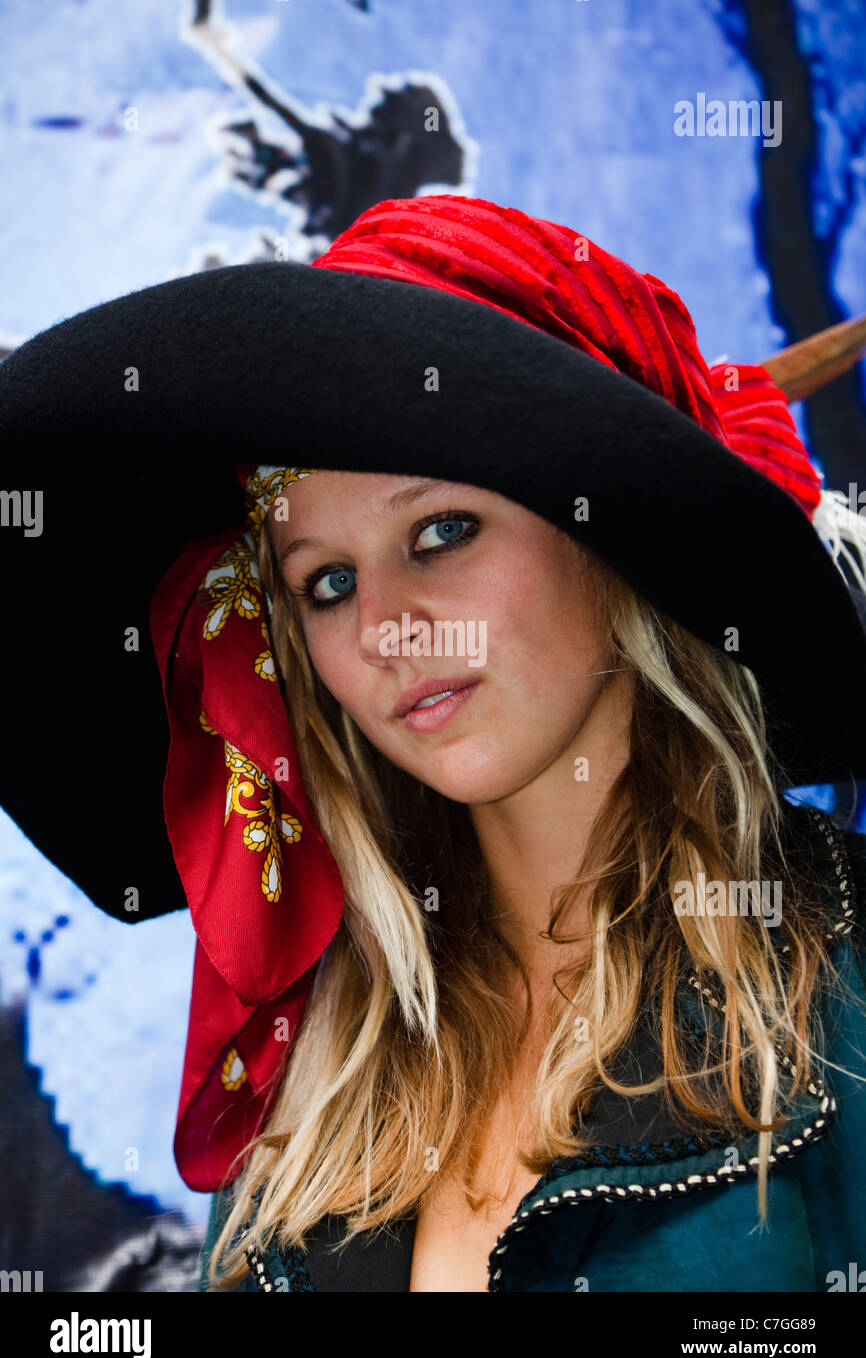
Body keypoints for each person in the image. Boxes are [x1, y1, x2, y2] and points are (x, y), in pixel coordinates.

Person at [1, 195, 865, 1294]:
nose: (385, 630)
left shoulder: (846, 979)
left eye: (440, 532)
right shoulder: (316, 1061)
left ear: (610, 535)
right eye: (328, 581)